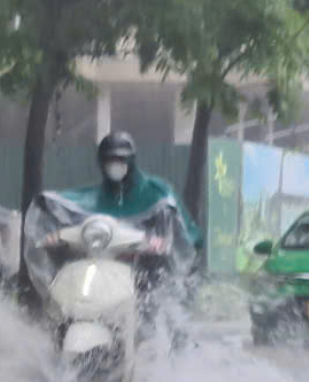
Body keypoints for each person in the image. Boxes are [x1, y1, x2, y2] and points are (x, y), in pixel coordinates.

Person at [44, 131, 205, 346]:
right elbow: (73, 223)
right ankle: (56, 347)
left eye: (120, 159)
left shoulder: (156, 194)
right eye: (110, 160)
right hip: (102, 268)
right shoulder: (91, 199)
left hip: (143, 271)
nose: (115, 165)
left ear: (130, 161)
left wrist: (161, 242)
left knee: (154, 309)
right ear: (101, 163)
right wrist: (57, 237)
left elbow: (182, 231)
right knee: (68, 299)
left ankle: (157, 355)